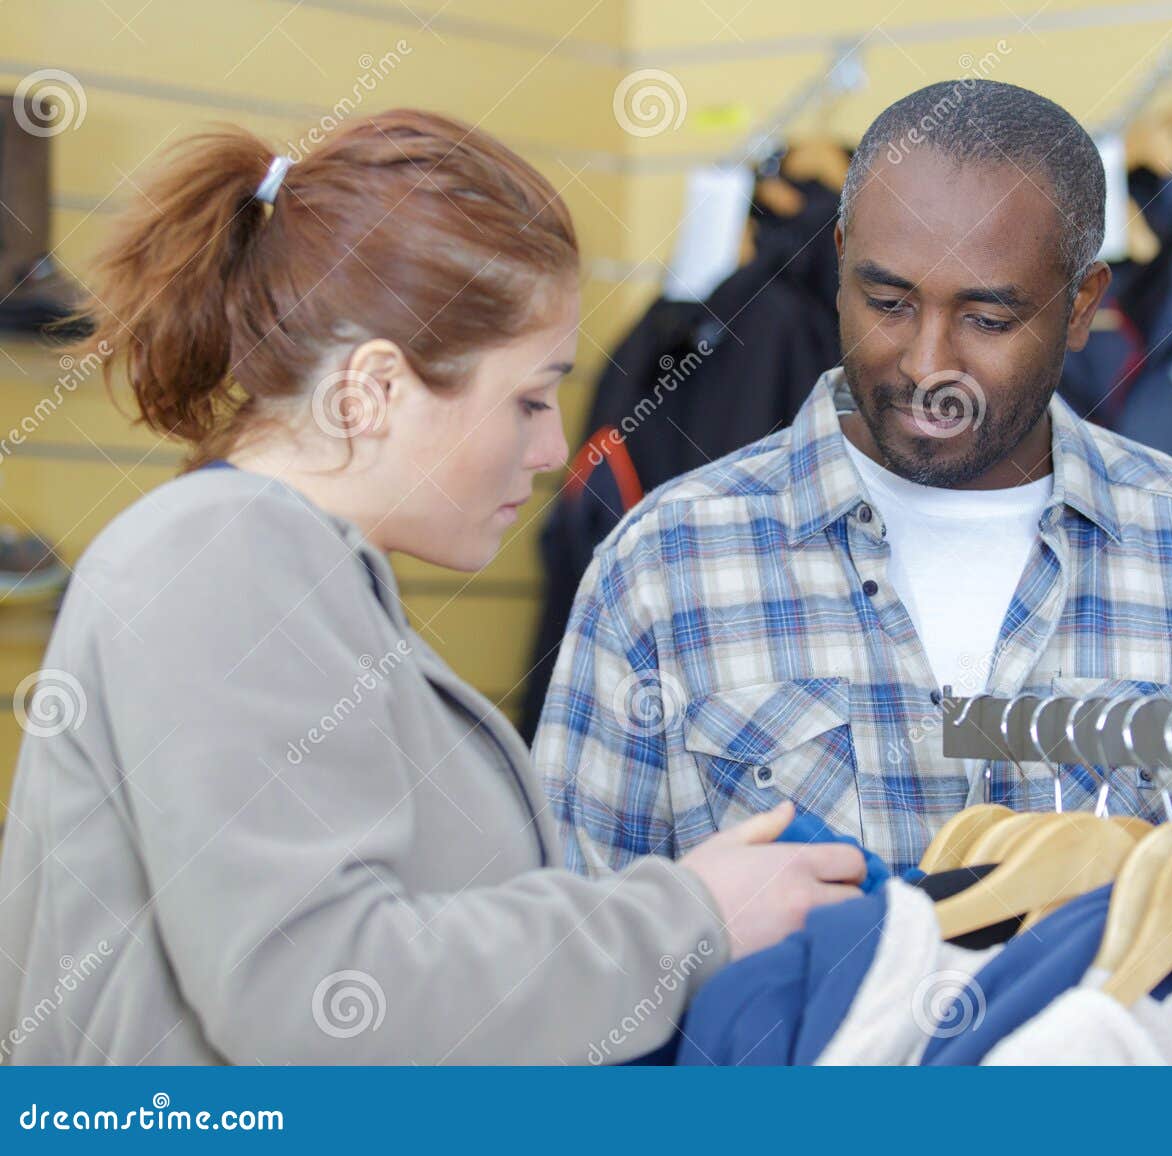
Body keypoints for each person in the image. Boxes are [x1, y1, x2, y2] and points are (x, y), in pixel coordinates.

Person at [0, 110, 865, 1066]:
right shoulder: (222, 558)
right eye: (530, 399)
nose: (548, 452)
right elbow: (321, 994)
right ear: (372, 389)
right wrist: (692, 918)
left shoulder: (294, 571)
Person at [537, 80, 1172, 881]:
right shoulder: (663, 568)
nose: (928, 366)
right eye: (887, 303)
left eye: (987, 319)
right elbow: (579, 964)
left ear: (1085, 304)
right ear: (840, 262)